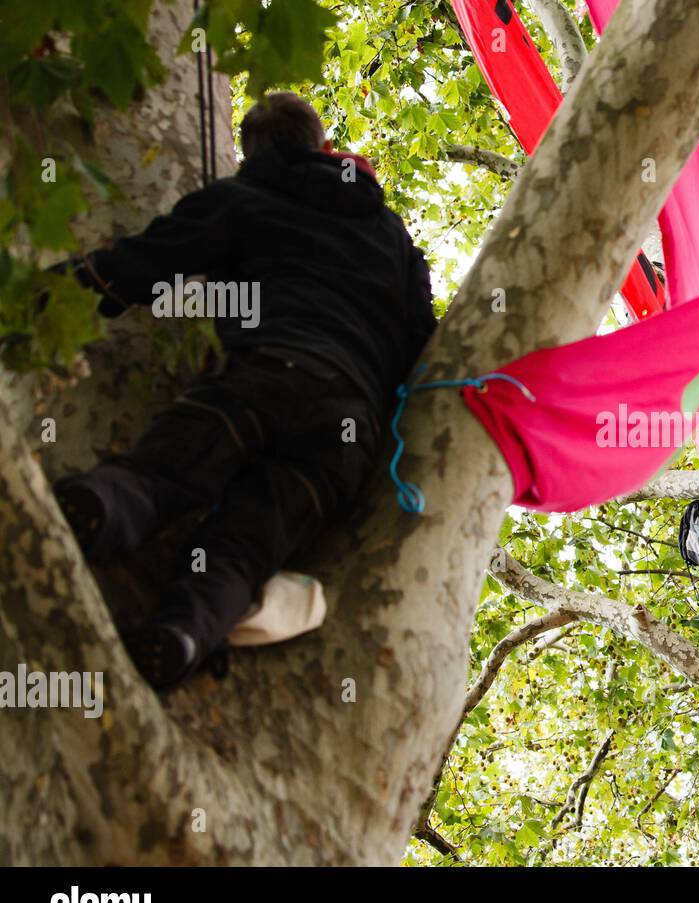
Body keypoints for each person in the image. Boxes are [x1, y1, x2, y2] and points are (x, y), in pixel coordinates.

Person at [52, 92, 436, 690]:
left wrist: (47, 292)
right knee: (244, 548)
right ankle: (180, 637)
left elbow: (142, 265)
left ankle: (100, 507)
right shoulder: (390, 236)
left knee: (162, 475)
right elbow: (423, 348)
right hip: (346, 428)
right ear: (325, 147)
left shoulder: (245, 196)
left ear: (250, 155)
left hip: (267, 371)